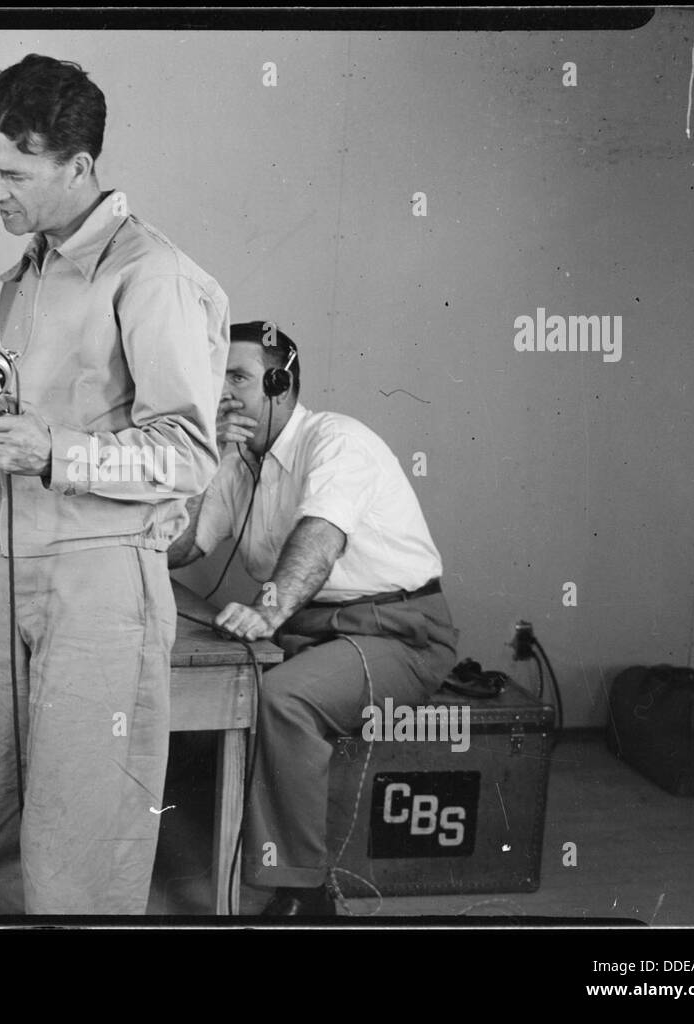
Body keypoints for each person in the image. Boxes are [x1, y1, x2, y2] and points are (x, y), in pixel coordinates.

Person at [0, 54, 230, 914]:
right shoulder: (28, 273)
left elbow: (189, 454)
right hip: (10, 564)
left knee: (85, 821)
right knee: (14, 807)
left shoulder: (153, 276)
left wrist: (56, 452)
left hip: (100, 579)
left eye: (14, 174)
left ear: (78, 167)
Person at [167, 321, 459, 916]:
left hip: (399, 630)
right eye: (216, 376)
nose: (224, 391)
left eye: (240, 377)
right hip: (315, 627)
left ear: (280, 384)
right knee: (224, 686)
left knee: (284, 698)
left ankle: (304, 890)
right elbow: (181, 547)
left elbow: (320, 537)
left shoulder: (338, 440)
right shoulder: (239, 460)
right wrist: (210, 458)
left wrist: (267, 611)